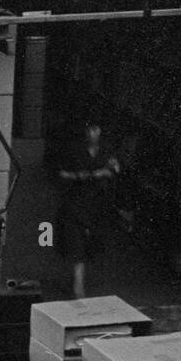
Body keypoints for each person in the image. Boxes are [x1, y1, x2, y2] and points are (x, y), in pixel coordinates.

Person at [55, 120, 120, 298]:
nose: (92, 133)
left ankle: (75, 279)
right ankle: (78, 287)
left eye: (96, 129)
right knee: (75, 243)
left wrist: (105, 173)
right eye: (90, 129)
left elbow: (115, 170)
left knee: (90, 244)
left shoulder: (107, 150)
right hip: (75, 202)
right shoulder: (74, 150)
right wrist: (78, 176)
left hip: (96, 204)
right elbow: (61, 173)